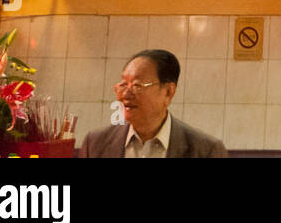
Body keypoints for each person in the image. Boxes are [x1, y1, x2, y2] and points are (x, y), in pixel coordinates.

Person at [79, 49, 227, 158]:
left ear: (168, 92)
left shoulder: (206, 150)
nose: (125, 94)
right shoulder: (95, 144)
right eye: (123, 84)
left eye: (137, 85)